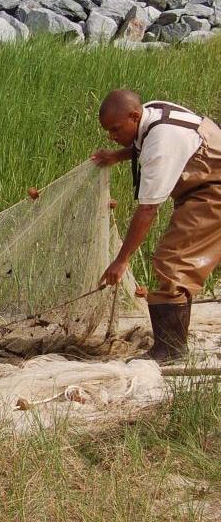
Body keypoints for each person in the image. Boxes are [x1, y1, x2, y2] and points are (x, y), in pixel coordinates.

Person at [92, 89, 219, 363]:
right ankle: (171, 344)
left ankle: (170, 350)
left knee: (173, 261)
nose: (111, 135)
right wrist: (118, 155)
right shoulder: (151, 113)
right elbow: (141, 144)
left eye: (115, 129)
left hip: (213, 190)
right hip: (202, 186)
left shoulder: (162, 142)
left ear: (134, 116)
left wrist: (121, 261)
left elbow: (148, 210)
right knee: (177, 260)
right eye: (108, 132)